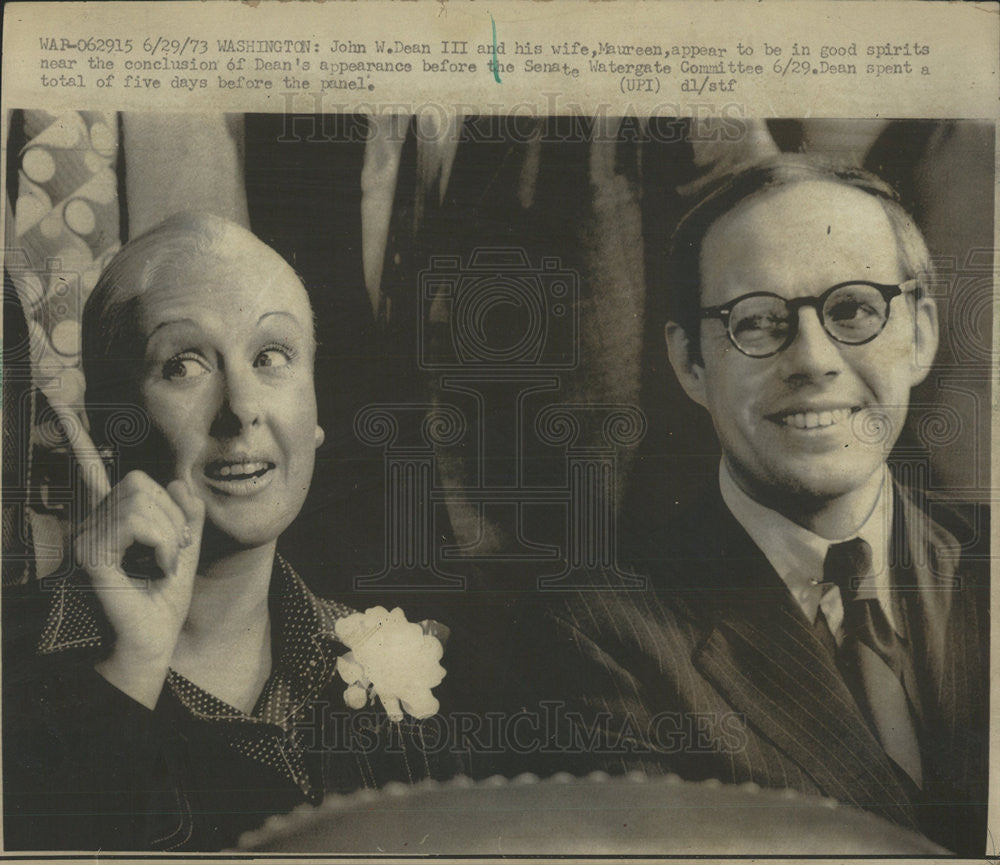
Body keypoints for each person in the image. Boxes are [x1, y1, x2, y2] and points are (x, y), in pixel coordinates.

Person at [503, 156, 989, 855]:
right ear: (690, 363)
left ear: (920, 334)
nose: (813, 360)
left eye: (853, 309)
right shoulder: (597, 641)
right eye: (757, 321)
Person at [2, 213, 453, 851]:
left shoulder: (398, 667)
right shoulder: (13, 663)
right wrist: (132, 670)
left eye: (271, 357)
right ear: (111, 422)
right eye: (183, 366)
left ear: (315, 415)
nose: (241, 407)